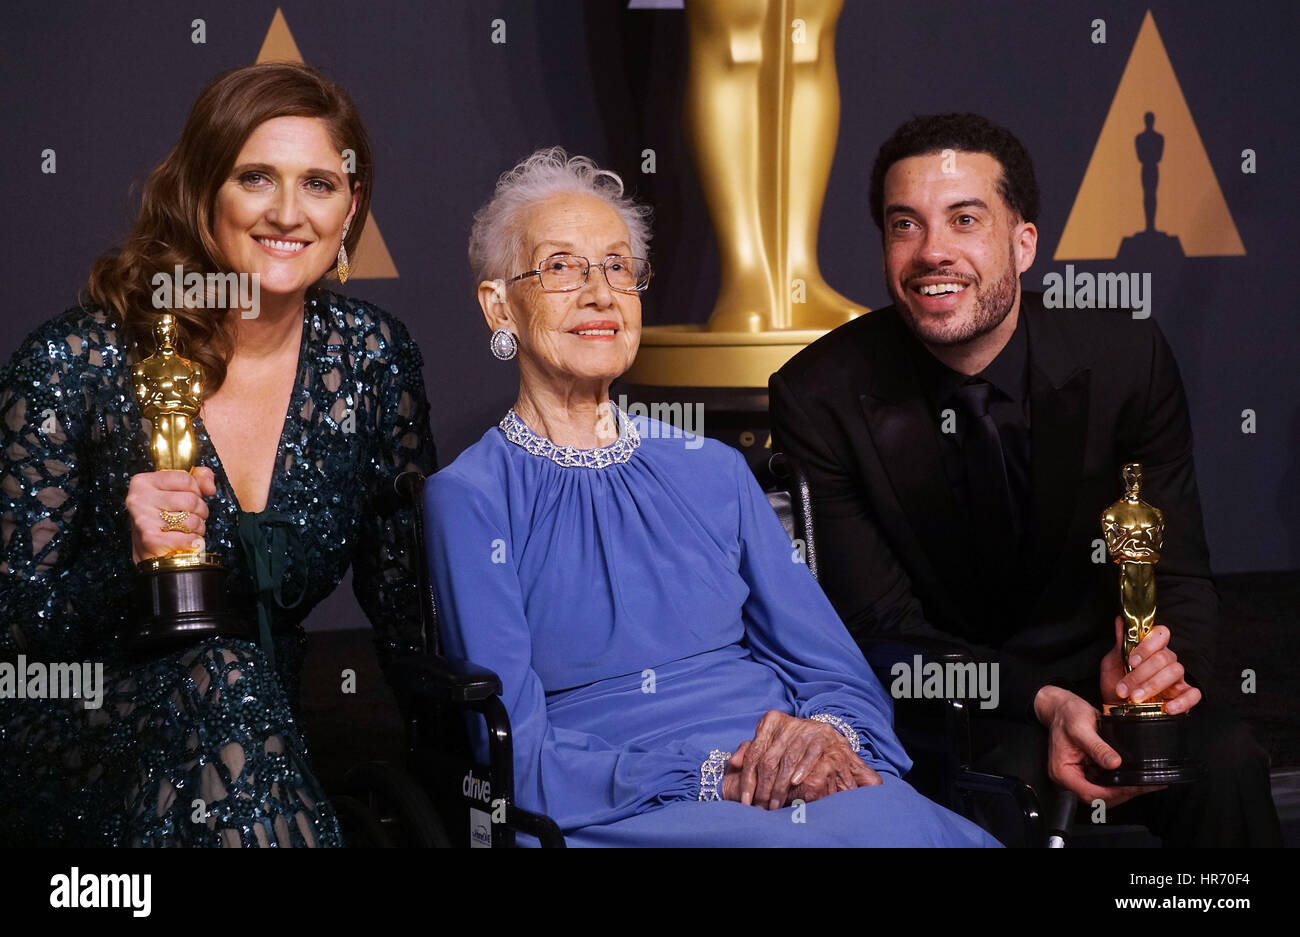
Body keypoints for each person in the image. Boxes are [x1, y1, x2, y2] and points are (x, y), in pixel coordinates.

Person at [423, 147, 998, 847]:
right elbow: (517, 755)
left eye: (617, 267)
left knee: (913, 828)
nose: (600, 293)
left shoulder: (713, 469)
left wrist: (822, 742)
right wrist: (709, 775)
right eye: (562, 267)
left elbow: (836, 672)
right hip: (625, 806)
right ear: (498, 306)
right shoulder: (470, 499)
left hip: (794, 779)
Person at [769, 113, 1282, 847]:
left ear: (1024, 242)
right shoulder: (819, 393)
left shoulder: (1124, 354)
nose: (931, 252)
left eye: (965, 218)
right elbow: (879, 631)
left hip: (1103, 670)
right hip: (945, 701)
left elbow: (1176, 570)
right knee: (1002, 784)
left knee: (1225, 760)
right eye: (904, 225)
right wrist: (1040, 701)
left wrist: (1156, 675)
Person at [0, 62, 436, 847]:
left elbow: (409, 618)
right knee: (223, 676)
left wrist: (468, 791)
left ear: (352, 210)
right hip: (79, 732)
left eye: (319, 185)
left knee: (232, 694)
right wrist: (123, 564)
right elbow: (15, 643)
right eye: (256, 177)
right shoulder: (76, 362)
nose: (287, 212)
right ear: (204, 195)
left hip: (254, 743)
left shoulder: (371, 358)